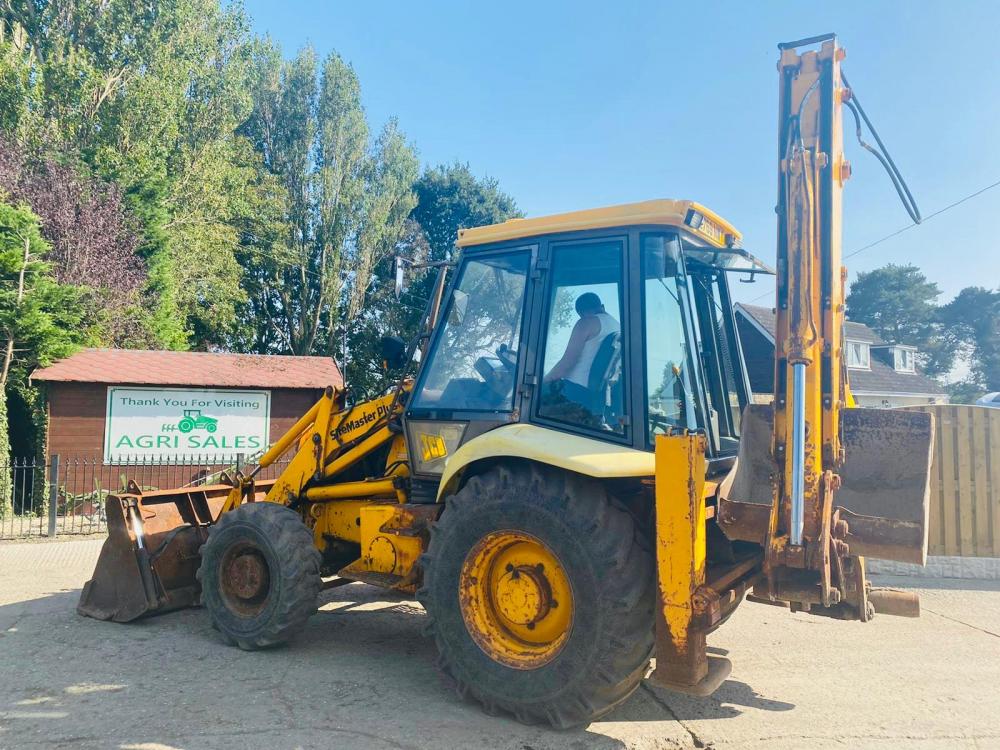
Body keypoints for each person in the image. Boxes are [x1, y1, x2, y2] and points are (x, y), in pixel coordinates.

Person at [544, 293, 620, 409]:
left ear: (580, 313)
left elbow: (567, 363)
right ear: (602, 306)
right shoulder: (618, 327)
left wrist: (543, 381)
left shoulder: (586, 322)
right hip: (596, 397)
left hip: (572, 393)